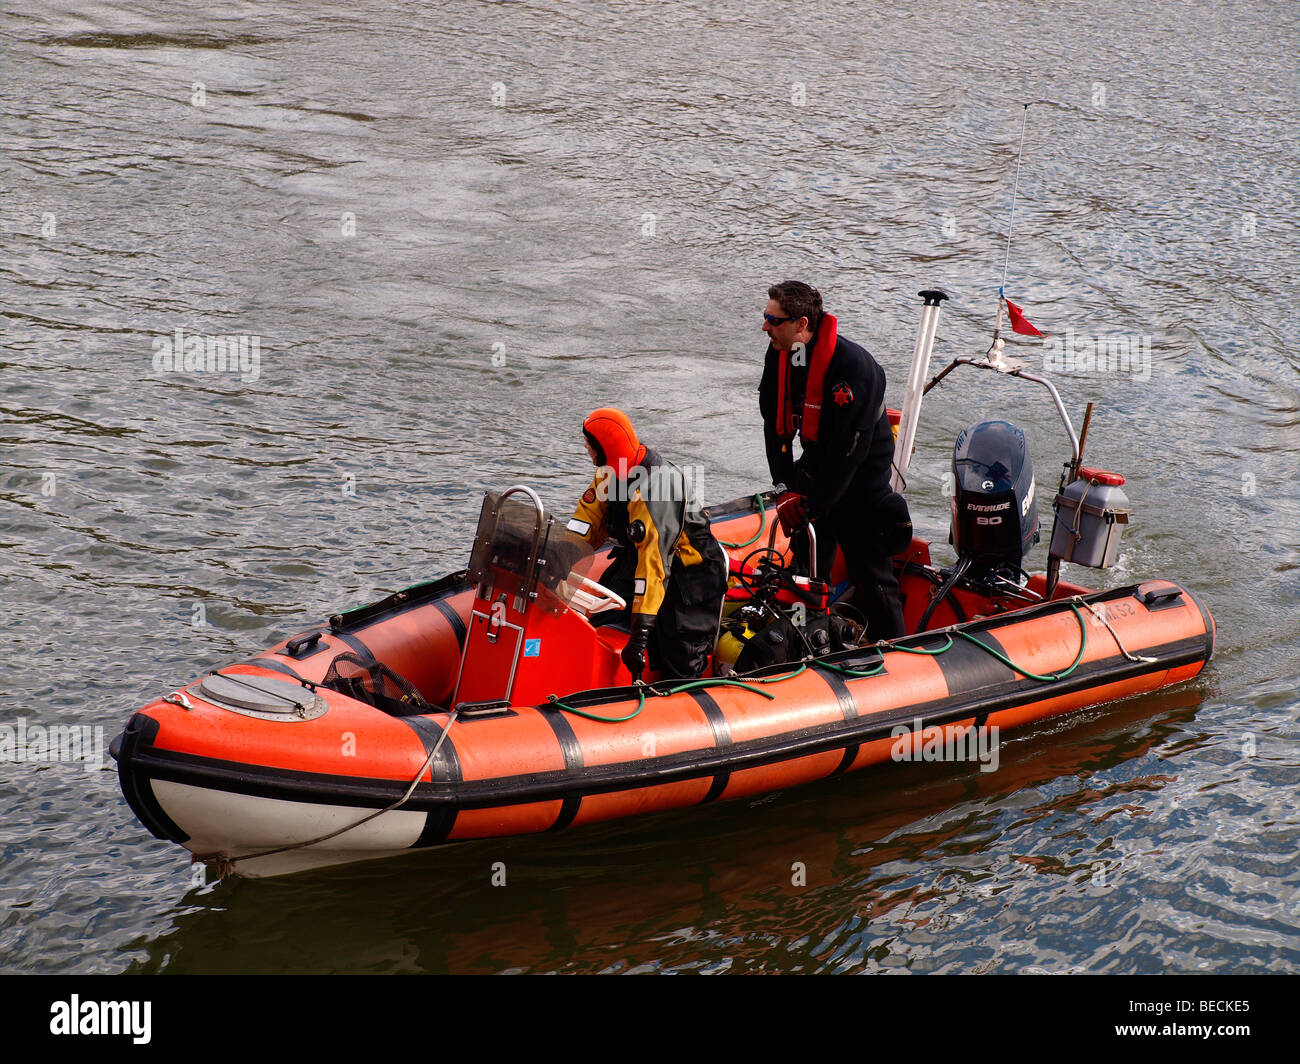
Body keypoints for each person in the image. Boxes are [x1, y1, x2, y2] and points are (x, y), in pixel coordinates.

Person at [757, 280, 911, 641]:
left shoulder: (854, 368)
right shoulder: (779, 353)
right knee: (803, 567)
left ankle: (899, 651)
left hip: (861, 479)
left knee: (871, 576)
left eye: (773, 320)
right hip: (814, 469)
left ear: (802, 325)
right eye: (765, 317)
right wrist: (785, 489)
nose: (765, 326)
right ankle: (802, 640)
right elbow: (774, 429)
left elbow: (849, 453)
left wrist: (816, 505)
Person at [567, 407, 727, 681]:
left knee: (678, 658)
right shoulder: (609, 474)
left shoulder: (654, 490)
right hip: (638, 560)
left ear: (607, 447)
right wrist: (556, 558)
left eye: (590, 444)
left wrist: (640, 635)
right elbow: (586, 524)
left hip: (688, 575)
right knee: (602, 618)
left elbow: (654, 567)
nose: (586, 448)